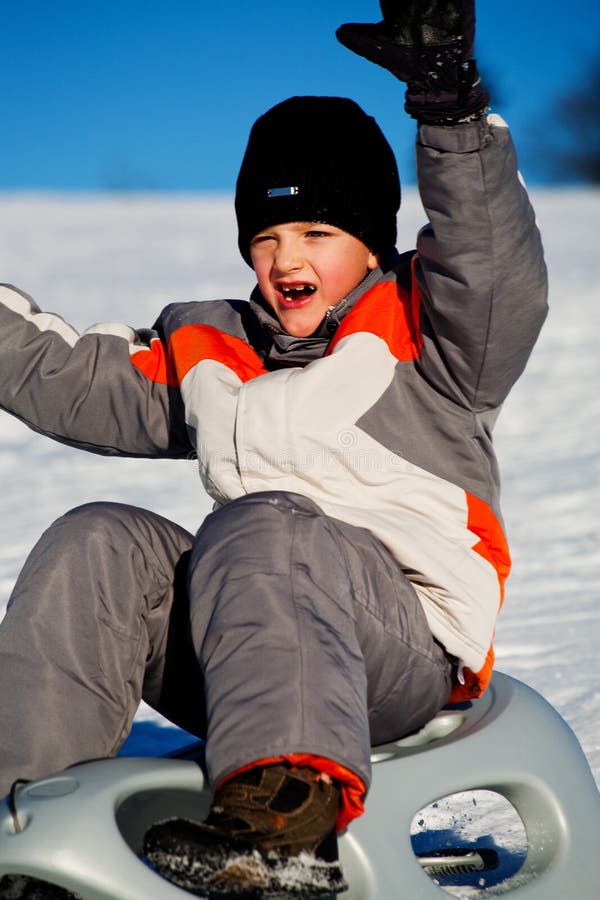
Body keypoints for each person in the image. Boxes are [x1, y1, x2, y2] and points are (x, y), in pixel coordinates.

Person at [0, 1, 548, 896]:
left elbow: (493, 269)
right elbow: (68, 377)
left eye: (317, 234)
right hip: (248, 645)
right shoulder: (217, 351)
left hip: (397, 650)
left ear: (371, 244)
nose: (286, 257)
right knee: (97, 540)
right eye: (267, 236)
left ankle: (282, 829)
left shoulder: (435, 333)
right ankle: (25, 830)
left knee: (268, 524)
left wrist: (448, 111)